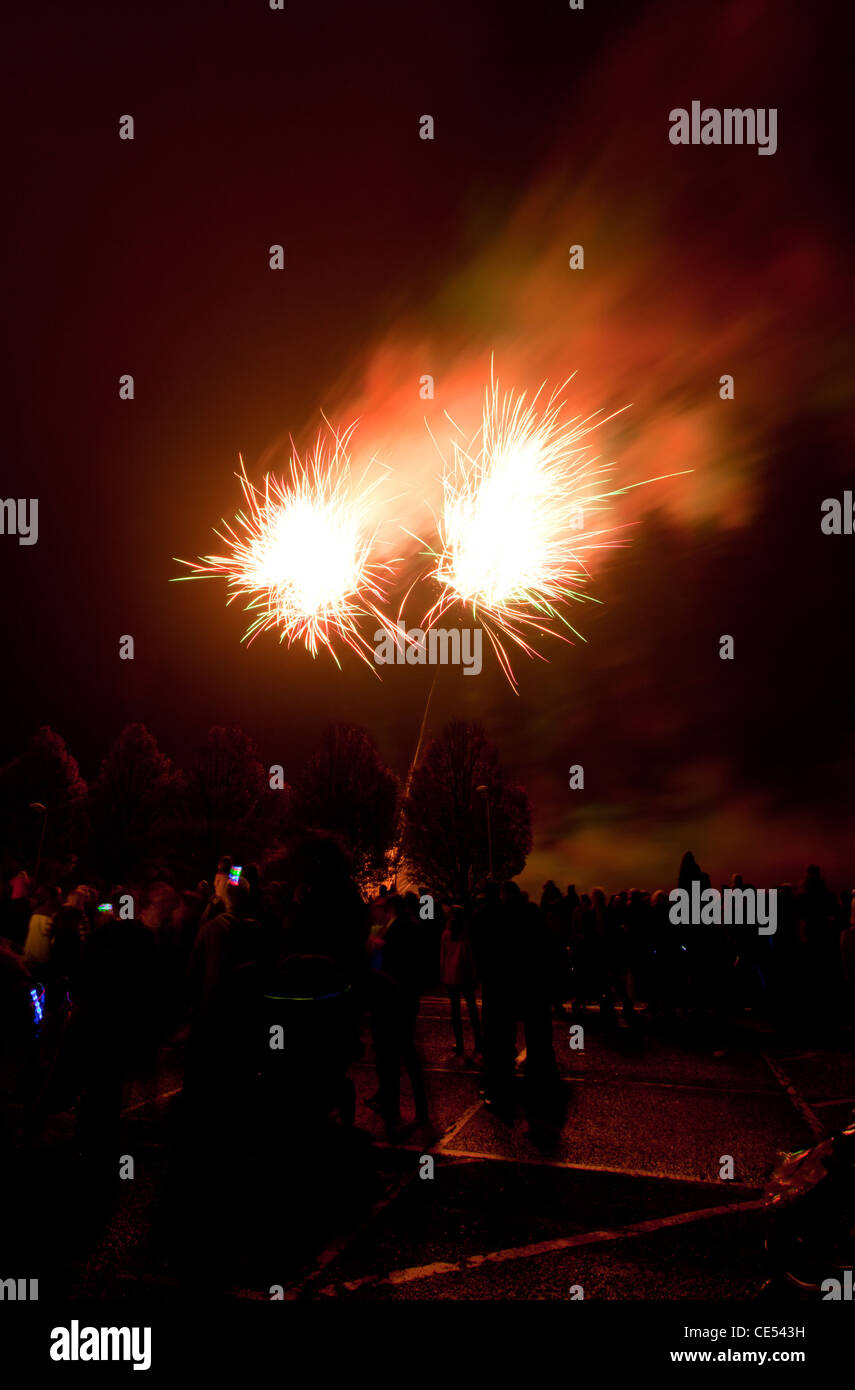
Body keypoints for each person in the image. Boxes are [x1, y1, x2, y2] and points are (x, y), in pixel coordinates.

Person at [440, 906, 483, 1057]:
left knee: (455, 1012)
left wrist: (443, 973)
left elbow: (443, 956)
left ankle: (460, 1044)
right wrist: (475, 973)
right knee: (472, 1009)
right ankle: (478, 1041)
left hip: (451, 976)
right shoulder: (466, 934)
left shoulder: (446, 934)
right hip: (465, 975)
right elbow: (471, 956)